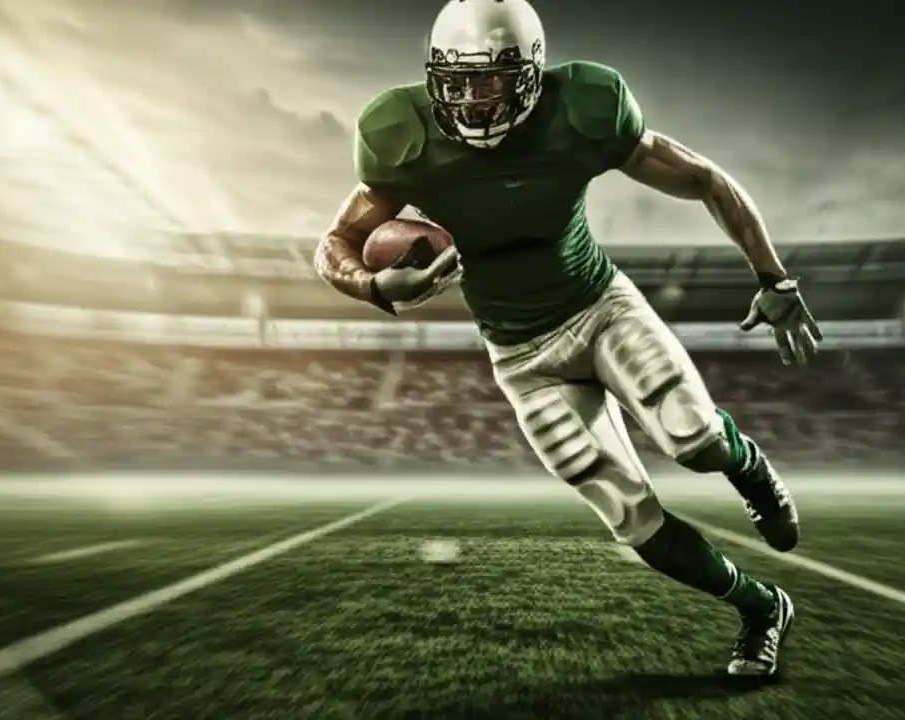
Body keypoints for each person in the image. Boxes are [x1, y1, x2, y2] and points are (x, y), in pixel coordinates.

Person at [315, 0, 821, 677]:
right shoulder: (401, 136)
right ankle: (761, 608)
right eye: (455, 82)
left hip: (599, 307)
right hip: (520, 355)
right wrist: (376, 289)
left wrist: (775, 280)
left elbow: (704, 179)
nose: (470, 99)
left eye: (489, 80)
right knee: (629, 514)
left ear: (530, 74)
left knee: (693, 437)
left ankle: (752, 474)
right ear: (433, 78)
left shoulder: (585, 109)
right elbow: (335, 241)